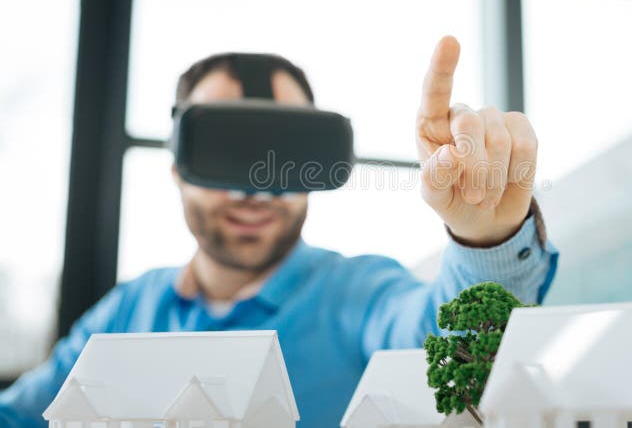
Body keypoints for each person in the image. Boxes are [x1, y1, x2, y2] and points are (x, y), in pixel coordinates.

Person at [0, 36, 558, 427]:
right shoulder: (126, 316)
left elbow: (448, 356)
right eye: (224, 151)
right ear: (176, 167)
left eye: (280, 157)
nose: (257, 189)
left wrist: (487, 240)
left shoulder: (357, 298)